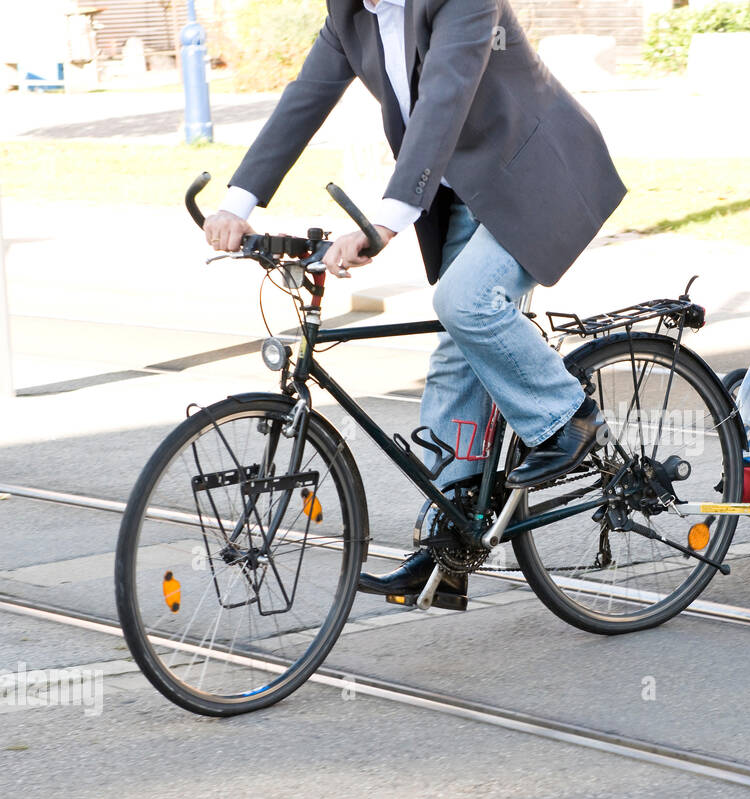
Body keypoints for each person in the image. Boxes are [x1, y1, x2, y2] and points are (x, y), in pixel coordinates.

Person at [203, 0, 626, 609]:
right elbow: (304, 99)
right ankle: (448, 547)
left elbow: (443, 101)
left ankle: (569, 417)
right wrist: (238, 205)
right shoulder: (349, 14)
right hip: (464, 194)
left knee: (466, 302)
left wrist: (385, 222)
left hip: (537, 176)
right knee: (456, 353)